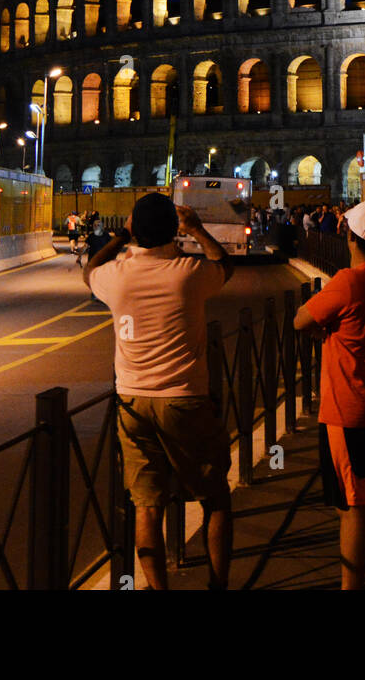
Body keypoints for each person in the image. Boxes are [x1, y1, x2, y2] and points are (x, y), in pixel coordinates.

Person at [84, 192, 234, 590]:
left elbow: (89, 271)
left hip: (132, 403)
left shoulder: (115, 276)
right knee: (214, 497)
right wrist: (197, 229)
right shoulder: (188, 272)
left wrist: (120, 237)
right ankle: (218, 585)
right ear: (173, 229)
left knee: (147, 507)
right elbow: (225, 265)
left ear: (134, 228)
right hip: (184, 399)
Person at [293, 201, 365, 590]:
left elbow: (300, 319)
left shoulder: (347, 281)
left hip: (344, 408)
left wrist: (329, 330)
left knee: (351, 505)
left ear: (350, 237)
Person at [83, 216, 112, 298]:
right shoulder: (93, 236)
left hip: (101, 260)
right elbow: (85, 246)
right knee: (95, 277)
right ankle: (96, 293)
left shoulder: (105, 236)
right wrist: (80, 256)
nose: (96, 227)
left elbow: (111, 247)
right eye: (96, 225)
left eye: (98, 225)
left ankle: (99, 292)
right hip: (95, 260)